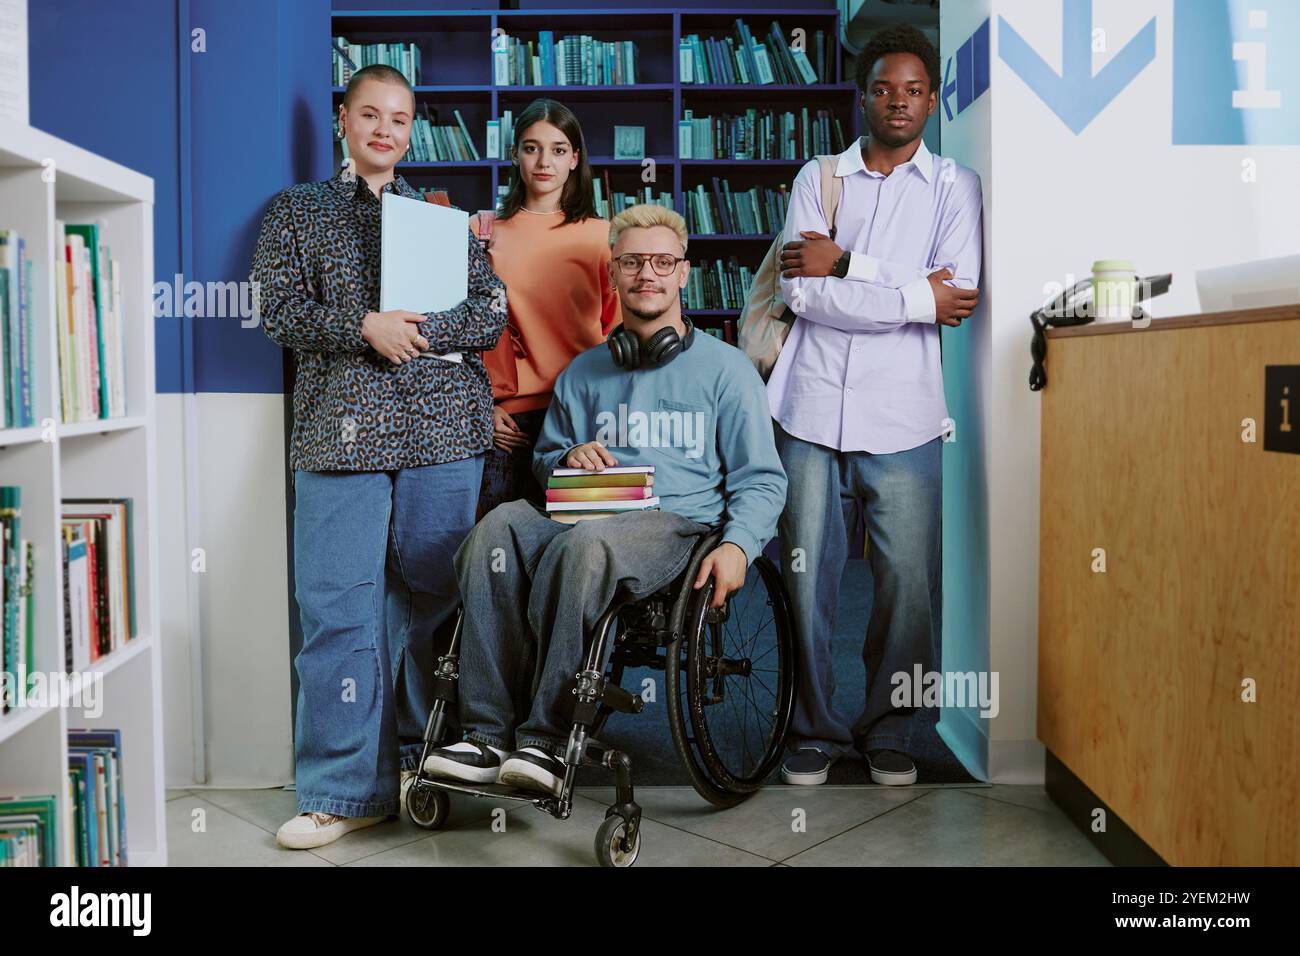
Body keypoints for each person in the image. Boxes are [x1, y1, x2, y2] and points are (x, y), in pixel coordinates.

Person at [422, 204, 787, 796]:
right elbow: (542, 463)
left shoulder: (728, 370)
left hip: (675, 528)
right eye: (633, 262)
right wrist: (566, 458)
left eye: (662, 262)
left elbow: (763, 479)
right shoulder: (584, 372)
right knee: (497, 530)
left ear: (683, 273)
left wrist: (741, 547)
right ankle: (486, 735)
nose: (648, 273)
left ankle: (543, 741)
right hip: (582, 517)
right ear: (613, 274)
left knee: (586, 547)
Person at [252, 64, 507, 848]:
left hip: (441, 434)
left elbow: (490, 310)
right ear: (343, 120)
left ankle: (417, 766)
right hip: (341, 433)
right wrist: (364, 325)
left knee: (429, 604)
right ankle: (339, 789)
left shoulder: (438, 219)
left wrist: (419, 330)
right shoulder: (296, 212)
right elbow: (280, 311)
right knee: (336, 608)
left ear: (411, 127)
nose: (385, 130)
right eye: (370, 115)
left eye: (398, 118)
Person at [770, 24, 983, 786]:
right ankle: (811, 728)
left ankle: (892, 728)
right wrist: (909, 294)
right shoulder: (818, 178)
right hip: (810, 405)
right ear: (863, 96)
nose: (899, 101)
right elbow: (803, 290)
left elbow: (956, 293)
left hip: (904, 412)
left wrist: (851, 265)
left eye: (914, 89)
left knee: (905, 581)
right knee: (804, 573)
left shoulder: (955, 187)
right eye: (884, 88)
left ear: (932, 100)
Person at [472, 98, 619, 517]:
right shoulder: (481, 234)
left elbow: (618, 333)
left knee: (575, 544)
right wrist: (484, 406)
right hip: (508, 422)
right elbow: (463, 334)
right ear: (515, 154)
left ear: (574, 159)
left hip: (582, 416)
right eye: (531, 147)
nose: (543, 161)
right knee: (497, 546)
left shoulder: (603, 237)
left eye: (557, 150)